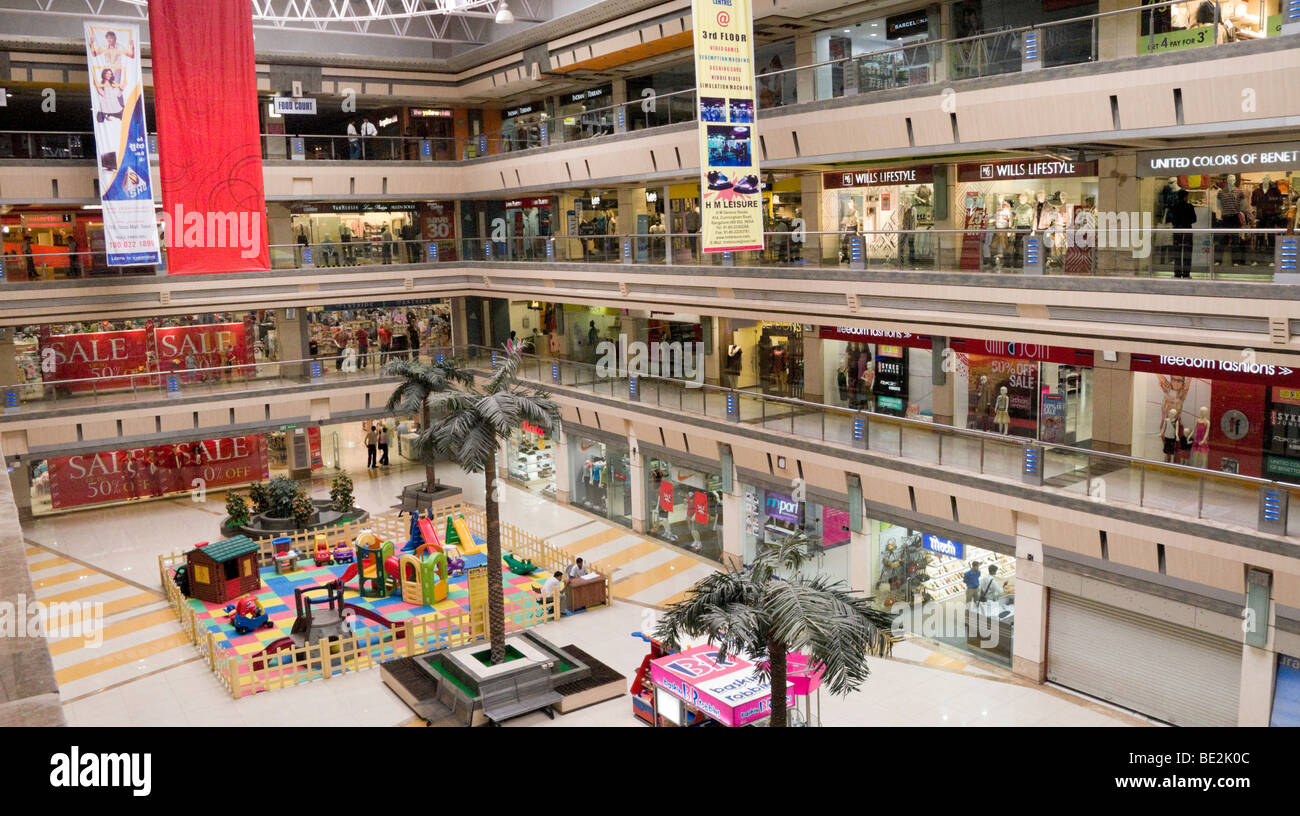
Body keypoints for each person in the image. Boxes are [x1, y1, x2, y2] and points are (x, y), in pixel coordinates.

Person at [1169, 189, 1197, 279]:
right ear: (1185, 197)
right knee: (1187, 252)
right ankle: (1186, 273)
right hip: (1187, 230)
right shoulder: (1189, 206)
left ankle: (1177, 273)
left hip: (1177, 230)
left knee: (1177, 252)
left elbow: (1172, 220)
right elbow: (1194, 219)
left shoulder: (1174, 206)